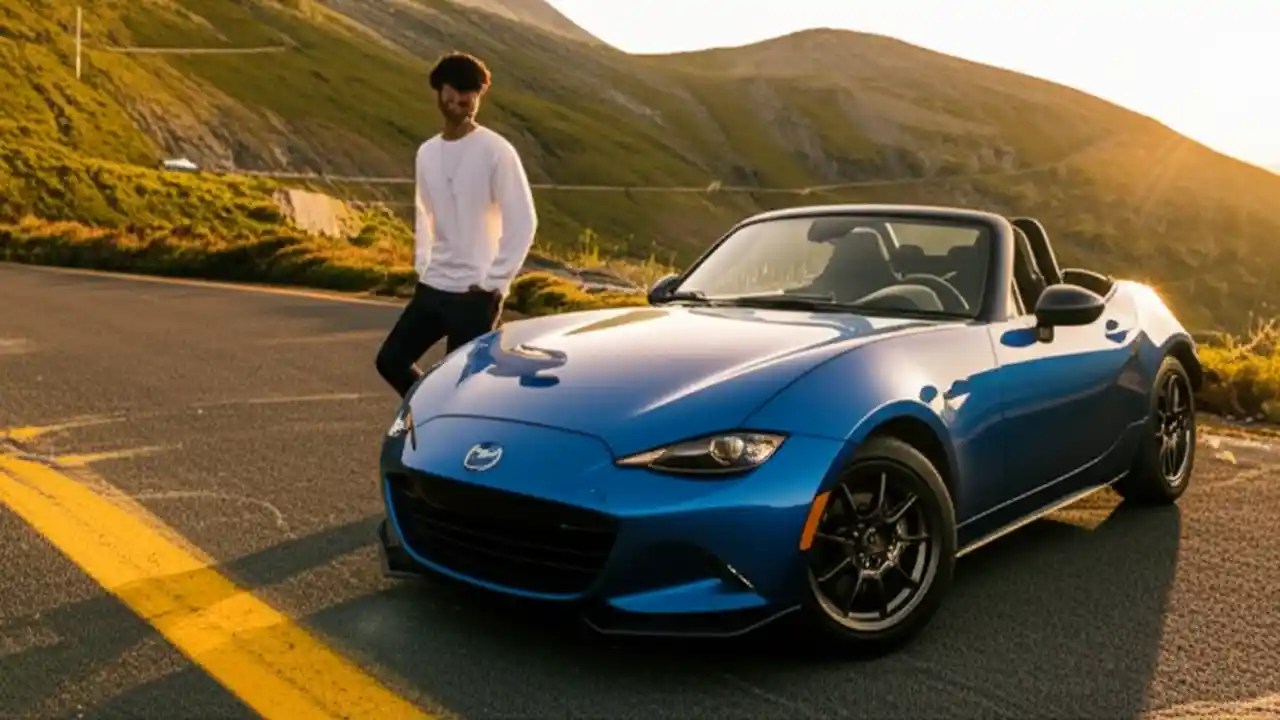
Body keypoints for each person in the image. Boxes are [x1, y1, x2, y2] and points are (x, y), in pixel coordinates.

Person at [375, 51, 537, 398]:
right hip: (433, 287)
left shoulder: (496, 150)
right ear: (440, 91)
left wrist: (495, 283)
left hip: (474, 294)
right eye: (456, 90)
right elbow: (425, 214)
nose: (462, 99)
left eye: (472, 93)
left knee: (463, 387)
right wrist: (423, 266)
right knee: (391, 361)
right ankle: (431, 412)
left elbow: (523, 220)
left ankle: (458, 438)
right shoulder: (427, 153)